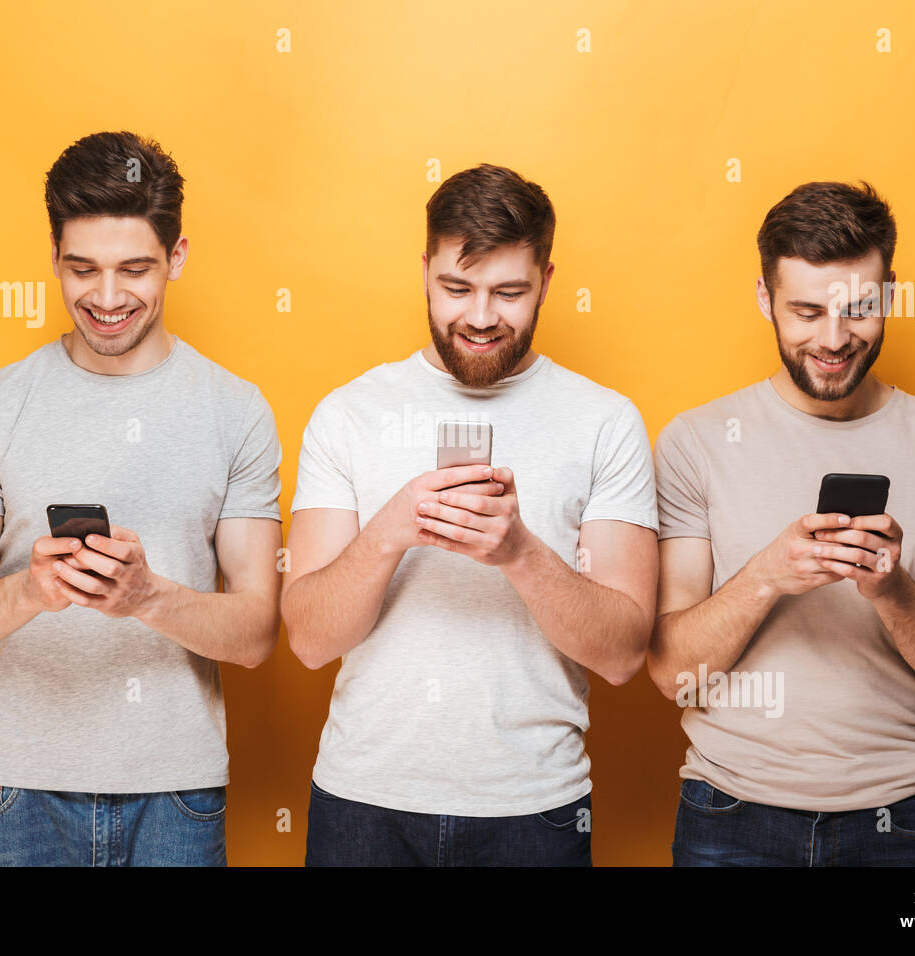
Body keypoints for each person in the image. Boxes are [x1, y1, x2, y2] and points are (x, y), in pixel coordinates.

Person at [0, 130, 283, 866]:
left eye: (134, 269)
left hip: (175, 795)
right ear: (54, 258)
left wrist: (145, 596)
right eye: (82, 270)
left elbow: (256, 634)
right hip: (12, 795)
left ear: (176, 257)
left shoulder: (236, 411)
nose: (107, 299)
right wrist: (28, 593)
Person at [282, 163, 659, 866]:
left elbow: (623, 653)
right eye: (456, 288)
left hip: (535, 808)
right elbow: (308, 640)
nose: (481, 317)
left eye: (509, 292)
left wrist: (520, 551)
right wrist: (394, 527)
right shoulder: (348, 415)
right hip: (363, 803)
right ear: (424, 271)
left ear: (547, 280)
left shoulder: (605, 422)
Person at [649, 180, 915, 866]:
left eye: (859, 310)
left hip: (903, 819)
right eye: (806, 311)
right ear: (765, 299)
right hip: (730, 815)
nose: (834, 339)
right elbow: (669, 674)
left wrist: (892, 589)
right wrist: (768, 576)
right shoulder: (694, 441)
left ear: (891, 295)